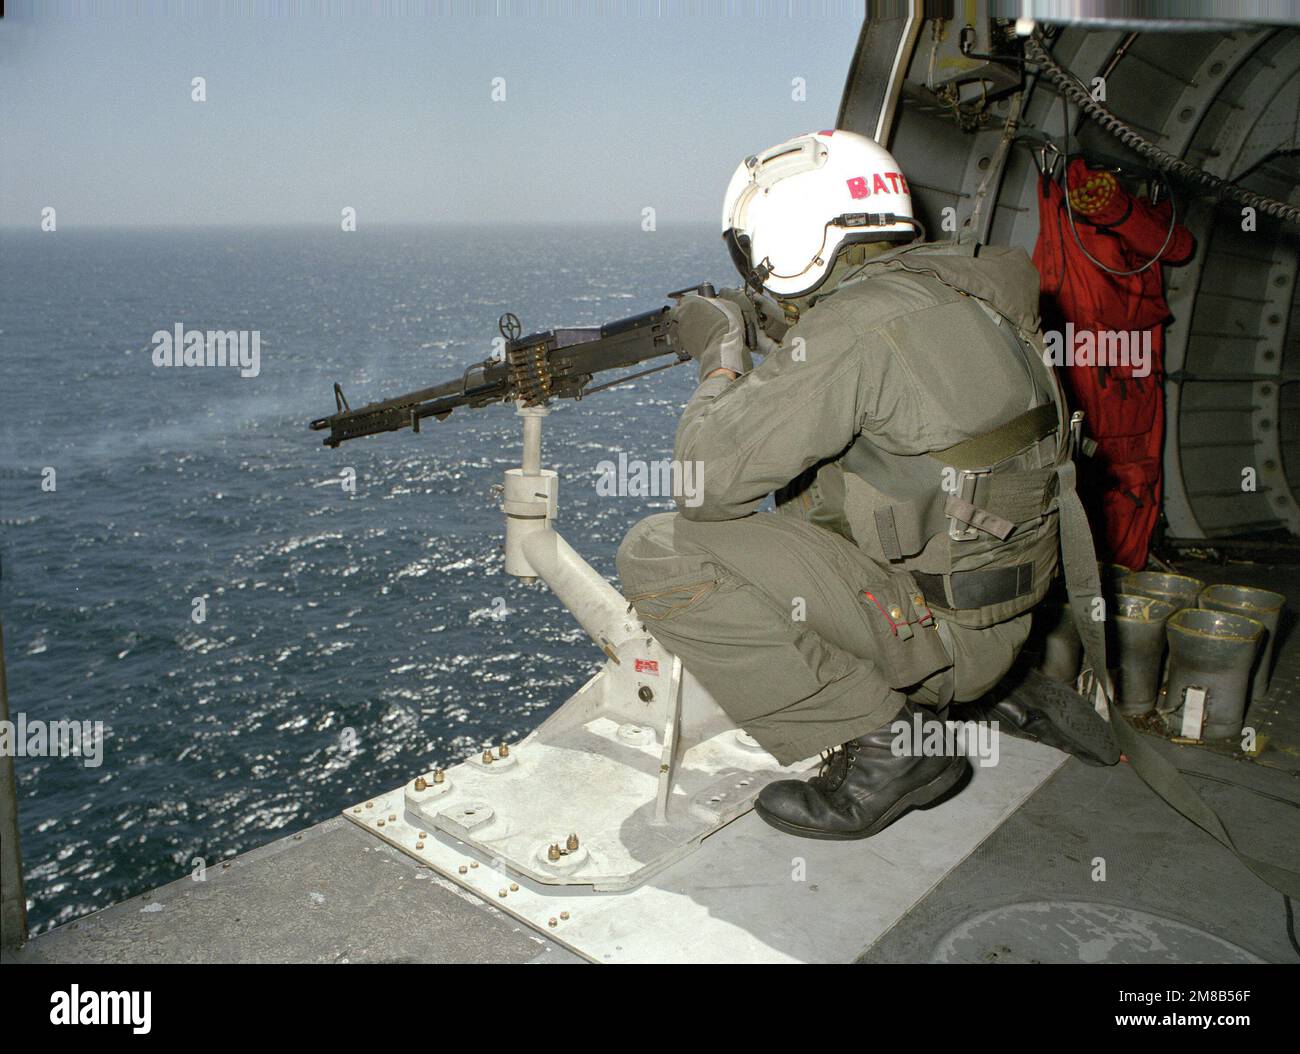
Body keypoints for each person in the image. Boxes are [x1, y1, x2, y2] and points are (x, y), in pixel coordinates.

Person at [616, 129, 1107, 842]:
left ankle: (888, 748)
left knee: (660, 550)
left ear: (789, 234)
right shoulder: (971, 296)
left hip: (942, 641)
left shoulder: (858, 327)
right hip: (1004, 622)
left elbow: (705, 483)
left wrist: (720, 358)